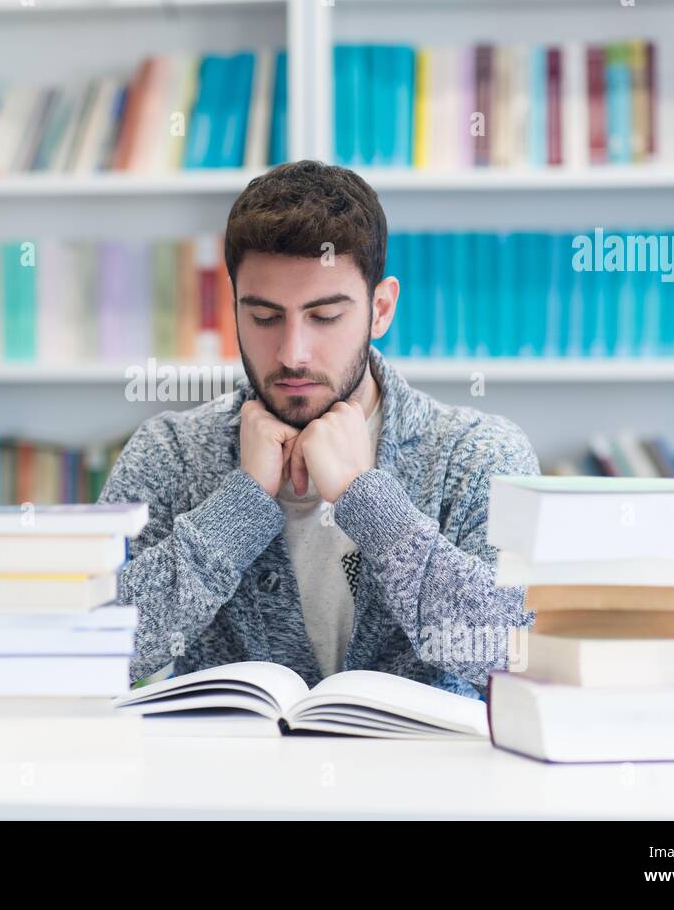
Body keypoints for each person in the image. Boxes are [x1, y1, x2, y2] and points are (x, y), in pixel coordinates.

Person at [98, 160, 540, 697]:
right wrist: (234, 511)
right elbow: (92, 651)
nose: (292, 354)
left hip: (426, 781)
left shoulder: (477, 454)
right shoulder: (171, 452)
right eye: (263, 317)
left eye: (325, 317)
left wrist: (369, 504)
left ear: (380, 310)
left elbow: (517, 651)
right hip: (222, 781)